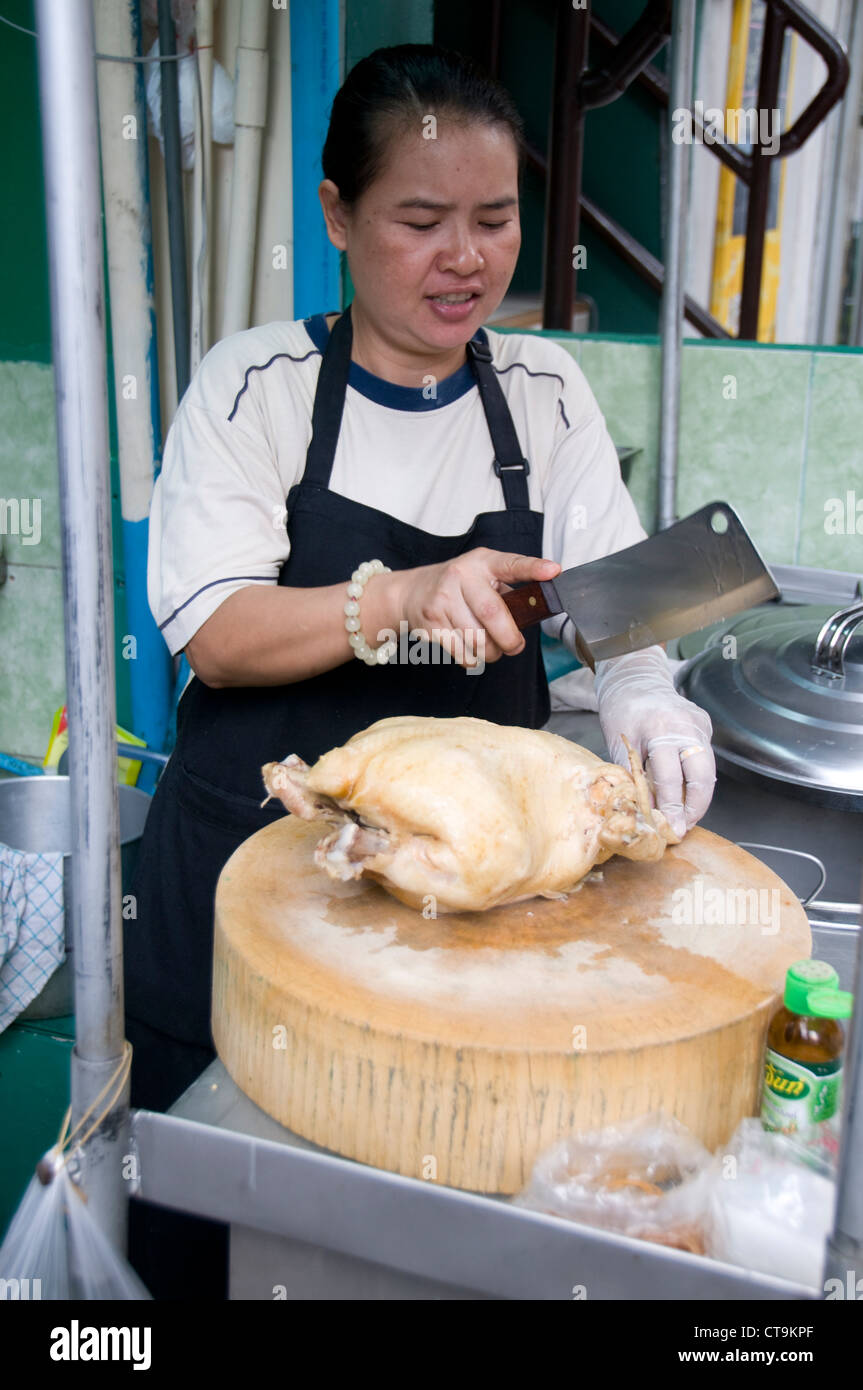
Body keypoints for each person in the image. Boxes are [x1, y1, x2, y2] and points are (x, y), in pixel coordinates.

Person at [124, 43, 715, 1298]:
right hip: (247, 888)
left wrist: (647, 695)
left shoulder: (545, 392)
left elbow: (621, 607)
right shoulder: (257, 386)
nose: (467, 257)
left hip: (470, 920)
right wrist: (392, 600)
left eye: (495, 220)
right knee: (209, 1207)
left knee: (420, 1221)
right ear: (337, 216)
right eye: (421, 219)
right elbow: (217, 634)